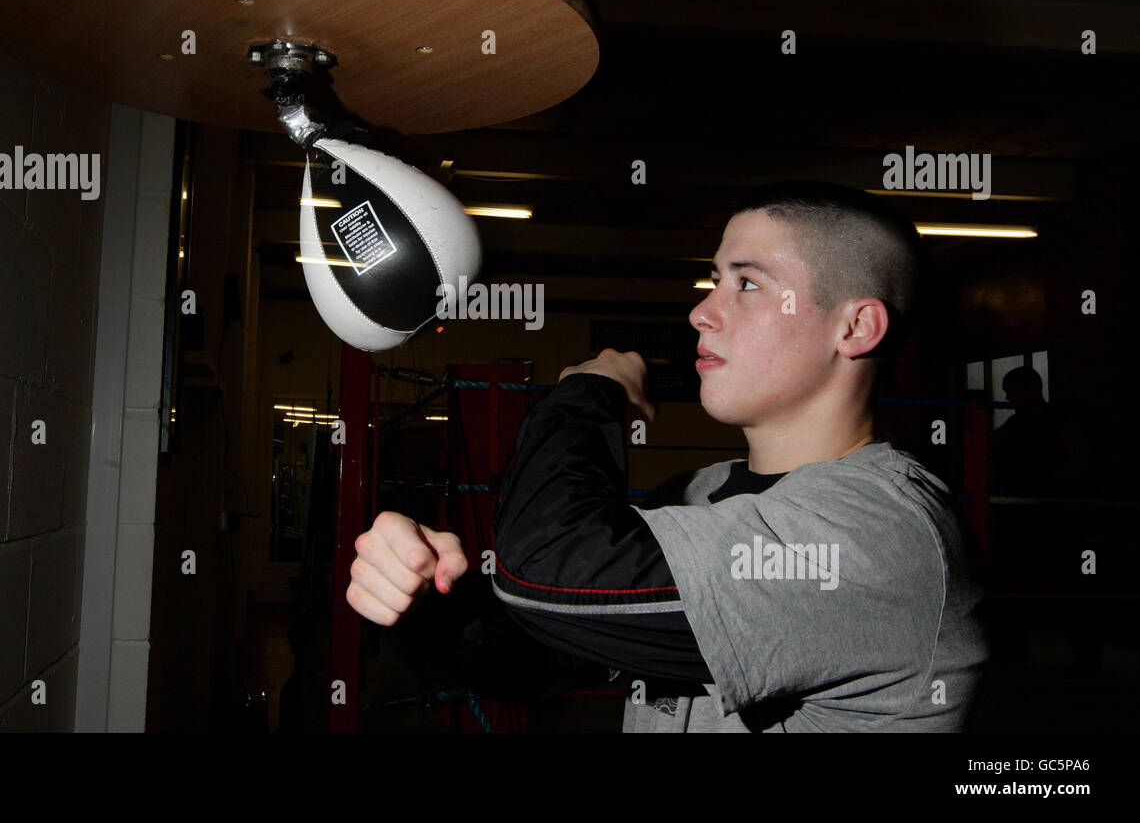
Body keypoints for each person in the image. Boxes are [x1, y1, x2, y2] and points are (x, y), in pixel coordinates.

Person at [348, 180, 990, 732]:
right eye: (716, 280)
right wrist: (421, 592)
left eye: (748, 283)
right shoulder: (702, 493)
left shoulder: (878, 534)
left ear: (854, 327)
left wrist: (590, 392)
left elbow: (552, 571)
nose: (702, 311)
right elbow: (536, 653)